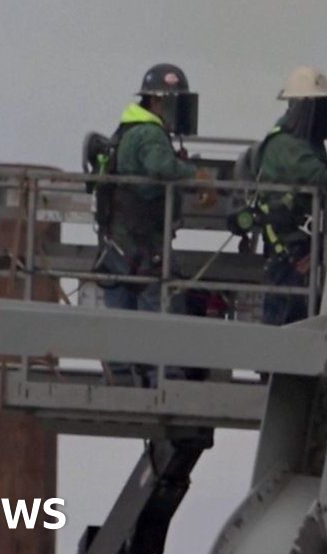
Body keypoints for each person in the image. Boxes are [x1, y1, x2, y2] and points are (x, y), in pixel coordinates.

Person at [93, 63, 199, 386]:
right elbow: (160, 167)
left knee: (121, 310)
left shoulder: (127, 129)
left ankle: (122, 376)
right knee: (163, 301)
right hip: (143, 243)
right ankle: (165, 376)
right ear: (156, 102)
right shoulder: (150, 133)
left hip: (118, 240)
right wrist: (197, 177)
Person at [255, 66, 327, 325]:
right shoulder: (287, 145)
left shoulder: (304, 143)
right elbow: (318, 176)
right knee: (285, 313)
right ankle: (273, 364)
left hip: (300, 243)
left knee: (298, 311)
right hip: (289, 245)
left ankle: (282, 363)